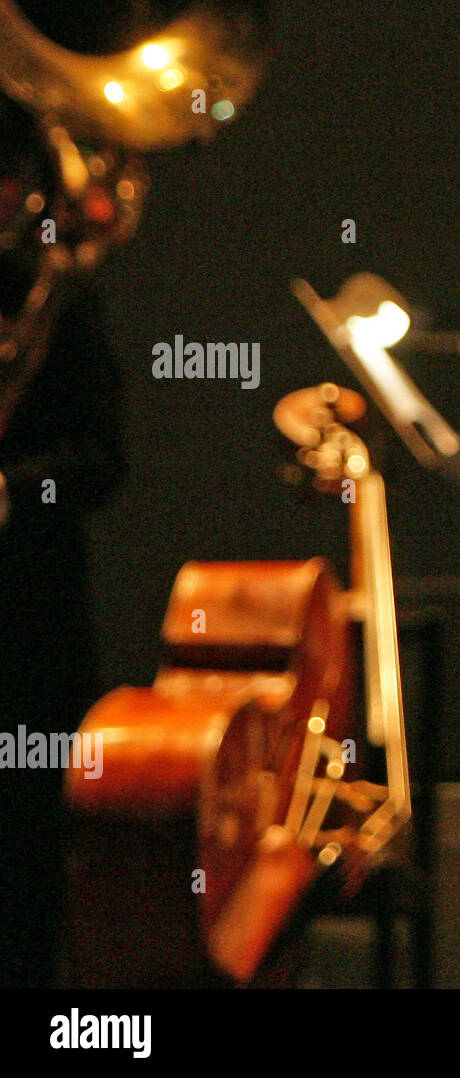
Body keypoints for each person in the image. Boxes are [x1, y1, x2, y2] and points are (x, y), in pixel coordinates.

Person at [0, 95, 126, 987]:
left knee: (23, 855)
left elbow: (101, 462)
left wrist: (10, 489)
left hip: (26, 628)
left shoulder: (61, 300)